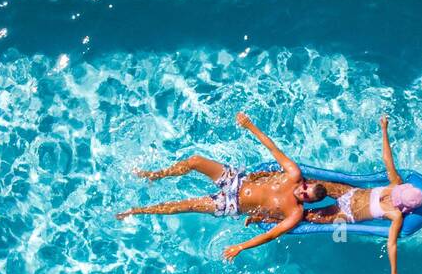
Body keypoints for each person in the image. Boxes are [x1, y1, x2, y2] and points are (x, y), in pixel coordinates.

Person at [116, 112, 328, 261]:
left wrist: (240, 247)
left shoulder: (294, 212)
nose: (302, 193)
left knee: (186, 205)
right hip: (236, 180)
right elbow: (272, 148)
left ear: (308, 201)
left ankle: (138, 211)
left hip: (230, 204)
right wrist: (249, 125)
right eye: (305, 189)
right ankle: (155, 176)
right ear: (306, 184)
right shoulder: (293, 174)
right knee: (195, 161)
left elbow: (271, 235)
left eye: (306, 196)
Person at [263, 115, 422, 274]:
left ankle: (268, 209)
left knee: (304, 205)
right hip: (346, 207)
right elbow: (391, 244)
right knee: (306, 201)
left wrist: (384, 129)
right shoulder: (396, 213)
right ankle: (271, 201)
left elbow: (387, 159)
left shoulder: (396, 186)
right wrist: (394, 273)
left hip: (346, 203)